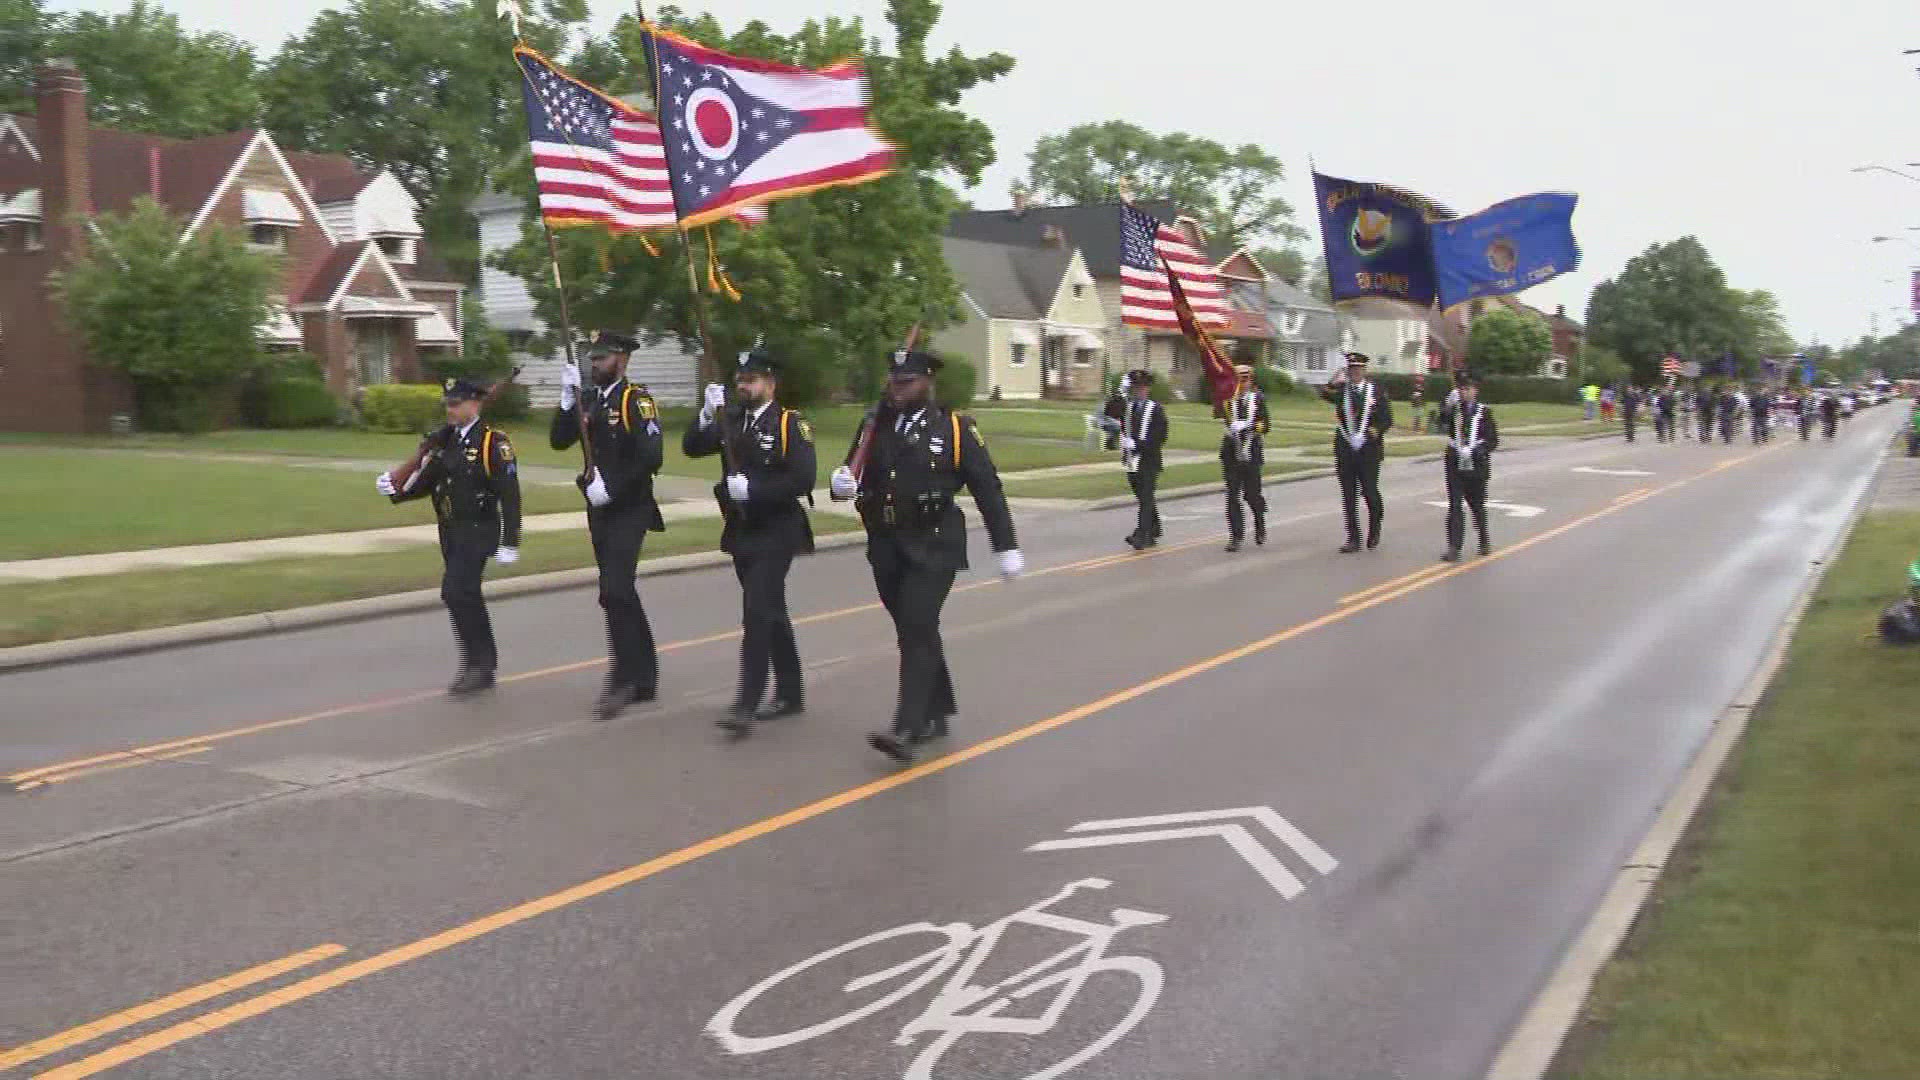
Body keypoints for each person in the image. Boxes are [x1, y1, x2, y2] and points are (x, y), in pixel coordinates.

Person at [828, 349, 1022, 765]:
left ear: (927, 382)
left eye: (906, 382)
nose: (897, 390)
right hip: (885, 542)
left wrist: (1005, 545)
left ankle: (907, 726)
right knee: (914, 630)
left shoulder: (954, 429)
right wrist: (841, 483)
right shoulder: (874, 425)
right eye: (893, 382)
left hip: (935, 544)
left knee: (917, 624)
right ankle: (938, 708)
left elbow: (988, 490)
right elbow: (853, 473)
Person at [683, 350, 818, 735]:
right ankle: (791, 693)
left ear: (770, 384)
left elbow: (803, 478)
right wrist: (706, 414)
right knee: (771, 610)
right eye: (740, 379)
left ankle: (746, 702)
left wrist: (756, 489)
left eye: (752, 380)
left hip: (778, 529)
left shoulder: (790, 423)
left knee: (757, 610)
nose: (743, 386)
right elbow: (692, 447)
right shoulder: (732, 420)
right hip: (742, 529)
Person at [376, 378, 522, 695]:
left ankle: (480, 664)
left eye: (456, 404)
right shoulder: (446, 442)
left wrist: (510, 541)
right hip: (450, 531)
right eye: (448, 404)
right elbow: (428, 480)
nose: (451, 410)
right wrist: (397, 489)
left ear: (475, 404)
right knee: (463, 595)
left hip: (479, 529)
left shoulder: (493, 443)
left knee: (455, 591)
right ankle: (477, 663)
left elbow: (510, 495)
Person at [551, 331, 666, 720]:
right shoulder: (588, 398)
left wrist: (612, 487)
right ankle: (645, 675)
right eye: (591, 358)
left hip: (630, 507)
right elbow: (558, 441)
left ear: (622, 358)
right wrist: (566, 402)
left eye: (601, 358)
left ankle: (624, 679)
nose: (594, 364)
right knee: (620, 591)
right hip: (598, 509)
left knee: (614, 590)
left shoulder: (636, 400)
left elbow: (651, 456)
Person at [1323, 352, 1394, 553]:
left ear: (1365, 370)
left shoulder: (1376, 391)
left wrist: (1374, 432)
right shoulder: (1342, 391)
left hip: (1368, 449)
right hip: (1346, 448)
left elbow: (1387, 419)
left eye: (1358, 369)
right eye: (1351, 369)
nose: (1355, 373)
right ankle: (1353, 538)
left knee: (1369, 492)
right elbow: (1324, 394)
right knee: (1348, 495)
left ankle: (1374, 528)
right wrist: (1334, 379)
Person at [1437, 371, 1500, 561]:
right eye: (1461, 389)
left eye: (1468, 389)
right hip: (1455, 463)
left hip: (1476, 465)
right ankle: (1454, 546)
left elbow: (1493, 440)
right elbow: (1440, 424)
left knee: (1476, 505)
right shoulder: (1454, 410)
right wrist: (1447, 406)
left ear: (1475, 391)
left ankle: (1483, 539)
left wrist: (1481, 449)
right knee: (1455, 505)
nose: (1464, 392)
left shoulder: (1484, 412)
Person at [1220, 363, 1270, 553]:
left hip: (1251, 452)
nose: (1242, 383)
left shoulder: (1257, 399)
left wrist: (1248, 427)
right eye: (1239, 380)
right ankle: (1236, 535)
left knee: (1252, 495)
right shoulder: (1227, 402)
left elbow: (1265, 425)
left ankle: (1259, 521)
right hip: (1231, 453)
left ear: (1251, 381)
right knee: (1232, 496)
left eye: (1246, 379)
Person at [1118, 370, 1168, 550]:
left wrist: (1137, 444)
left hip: (1149, 460)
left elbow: (1160, 437)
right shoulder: (1128, 407)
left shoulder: (1155, 409)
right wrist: (1119, 390)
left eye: (1142, 387)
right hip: (1132, 460)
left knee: (1146, 498)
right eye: (1135, 387)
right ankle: (1154, 529)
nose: (1139, 391)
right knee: (1142, 497)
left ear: (1148, 389)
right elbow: (1110, 411)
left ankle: (1142, 534)